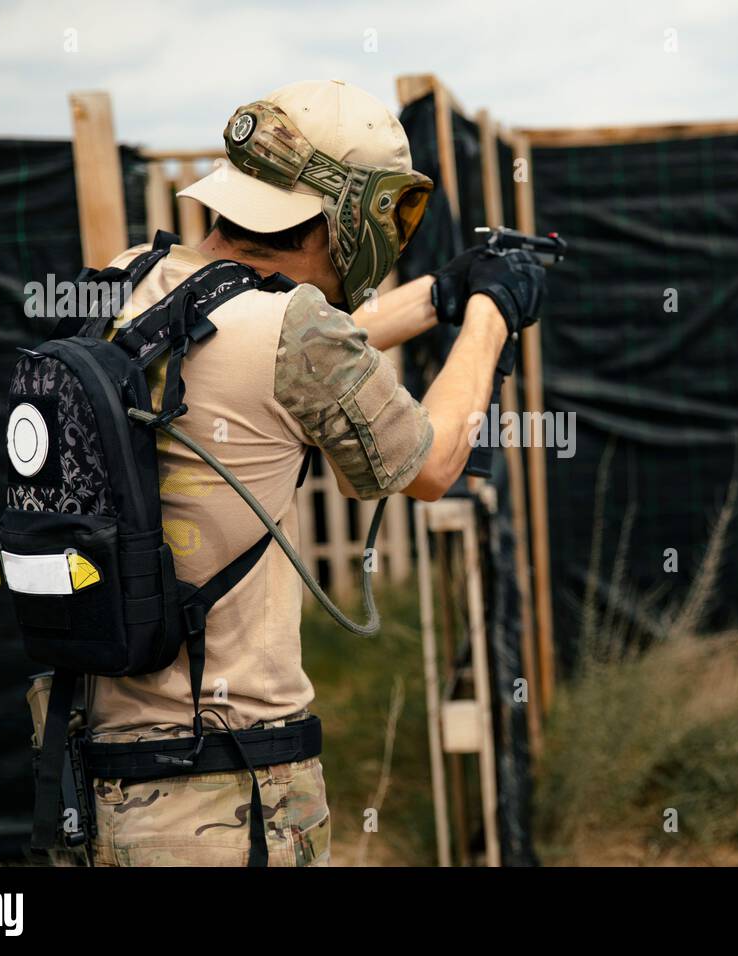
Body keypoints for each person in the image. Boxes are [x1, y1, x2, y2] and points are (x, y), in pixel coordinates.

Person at [85, 79, 544, 866]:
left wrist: (437, 296)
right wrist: (491, 314)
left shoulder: (131, 279)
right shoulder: (291, 332)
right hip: (229, 794)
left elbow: (274, 348)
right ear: (347, 212)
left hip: (94, 773)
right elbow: (431, 463)